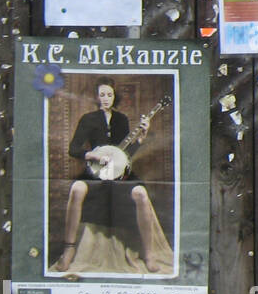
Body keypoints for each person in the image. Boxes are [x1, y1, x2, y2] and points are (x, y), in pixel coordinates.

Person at [54, 79, 171, 275]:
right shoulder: (88, 119)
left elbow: (124, 154)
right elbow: (73, 149)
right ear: (96, 97)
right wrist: (92, 155)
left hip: (119, 174)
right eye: (102, 95)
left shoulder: (122, 120)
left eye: (109, 95)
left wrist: (141, 137)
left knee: (141, 193)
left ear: (114, 96)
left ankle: (149, 254)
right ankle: (69, 249)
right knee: (77, 188)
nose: (106, 98)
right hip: (95, 172)